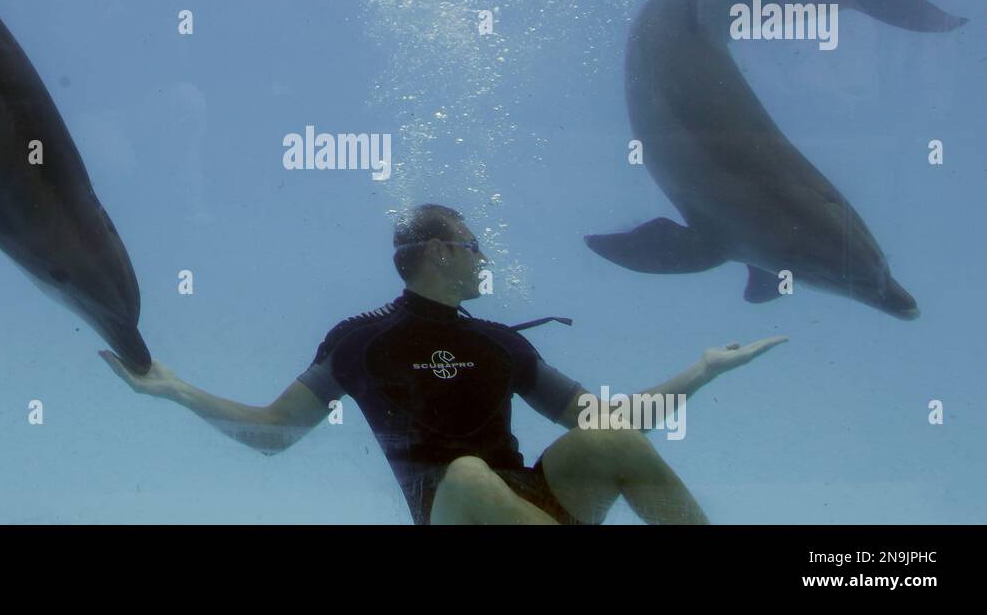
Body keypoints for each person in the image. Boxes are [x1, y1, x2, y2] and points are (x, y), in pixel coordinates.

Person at [100, 203, 787, 524]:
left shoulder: (500, 342)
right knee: (466, 474)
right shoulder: (358, 341)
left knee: (612, 437)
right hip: (456, 511)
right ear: (437, 251)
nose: (485, 256)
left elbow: (607, 419)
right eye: (473, 243)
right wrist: (176, 388)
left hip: (535, 504)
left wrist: (702, 371)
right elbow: (276, 431)